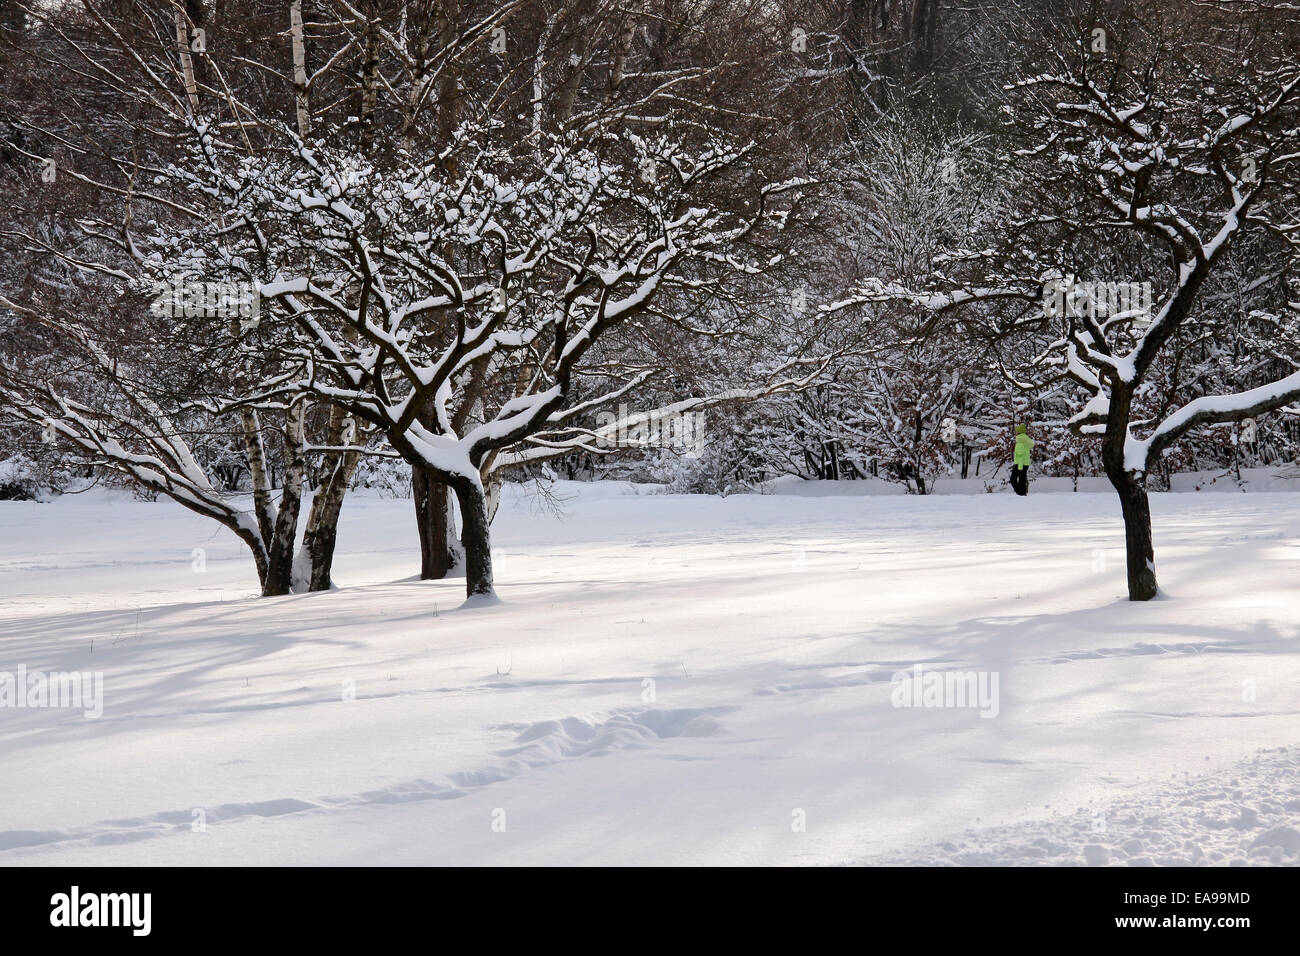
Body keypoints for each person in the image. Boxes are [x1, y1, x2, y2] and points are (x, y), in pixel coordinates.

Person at [1010, 424, 1033, 496]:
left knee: (1013, 479)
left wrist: (1020, 466)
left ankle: (1020, 494)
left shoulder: (1020, 441)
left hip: (1021, 463)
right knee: (1022, 480)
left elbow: (1021, 455)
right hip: (1025, 463)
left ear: (1019, 432)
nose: (1015, 433)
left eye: (1016, 431)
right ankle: (1022, 495)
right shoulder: (1025, 440)